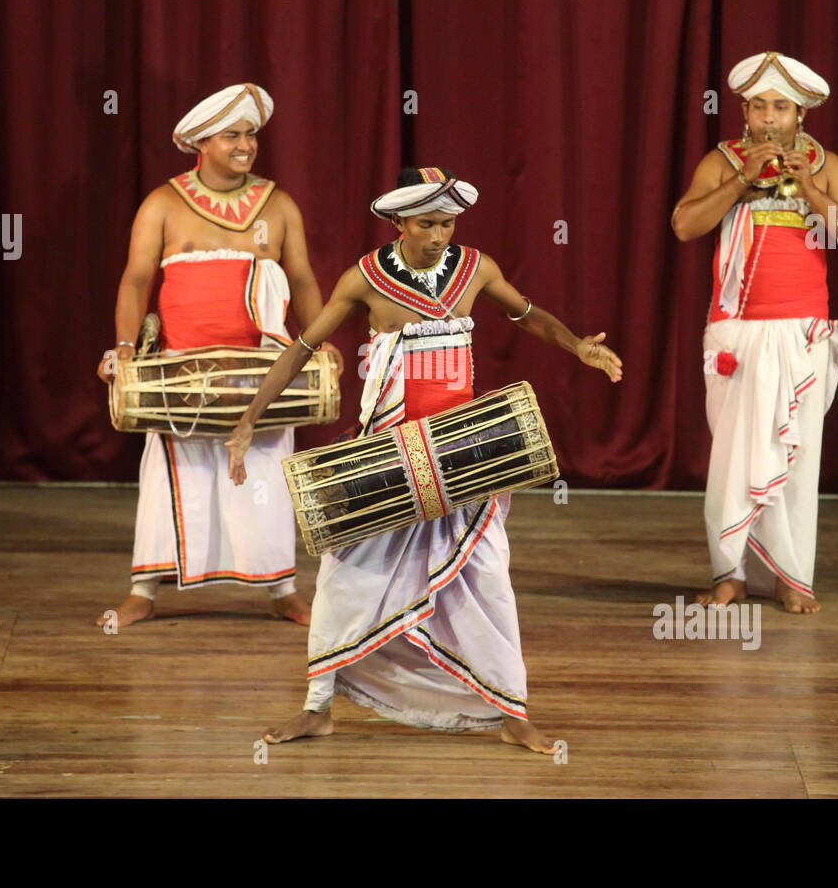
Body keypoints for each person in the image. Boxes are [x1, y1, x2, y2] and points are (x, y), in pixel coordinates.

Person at [226, 167, 622, 753]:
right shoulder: (364, 279)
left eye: (447, 222)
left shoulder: (476, 268)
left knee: (487, 576)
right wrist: (248, 419)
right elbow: (304, 347)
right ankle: (318, 709)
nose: (439, 235)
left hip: (463, 451)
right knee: (345, 579)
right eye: (427, 224)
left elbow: (529, 314)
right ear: (399, 223)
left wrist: (578, 345)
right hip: (388, 452)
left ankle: (513, 713)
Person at [95, 82, 338, 629]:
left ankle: (282, 589)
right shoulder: (162, 202)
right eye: (233, 135)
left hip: (262, 368)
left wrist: (318, 346)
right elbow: (136, 280)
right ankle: (144, 591)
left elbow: (300, 277)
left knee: (268, 474)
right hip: (183, 369)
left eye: (251, 134)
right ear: (202, 142)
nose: (246, 145)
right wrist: (126, 347)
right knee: (171, 476)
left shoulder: (278, 205)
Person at [671, 52, 838, 613]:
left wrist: (808, 189)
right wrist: (741, 180)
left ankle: (791, 576)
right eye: (758, 106)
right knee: (733, 457)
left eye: (780, 107)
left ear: (800, 113)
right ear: (743, 110)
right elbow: (685, 225)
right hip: (737, 331)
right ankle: (729, 573)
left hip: (801, 333)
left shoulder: (826, 164)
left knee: (797, 457)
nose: (768, 118)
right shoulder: (722, 161)